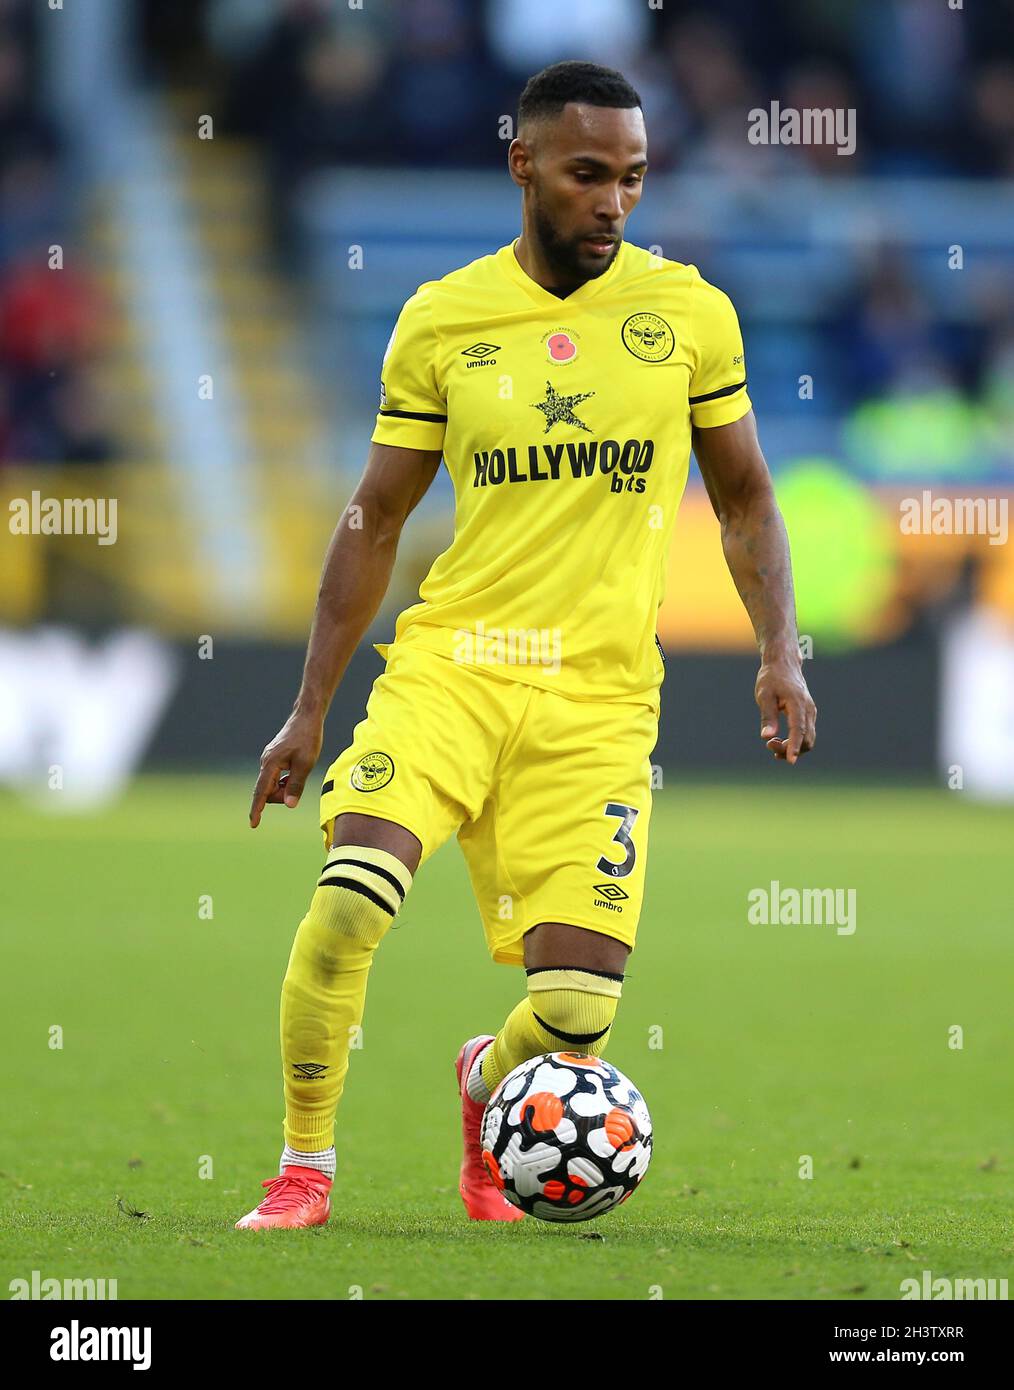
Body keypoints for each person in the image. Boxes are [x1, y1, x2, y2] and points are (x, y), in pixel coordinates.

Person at [236, 60, 816, 1230]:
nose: (613, 202)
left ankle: (484, 1086)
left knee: (574, 1018)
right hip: (453, 665)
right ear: (525, 166)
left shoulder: (689, 317)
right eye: (588, 174)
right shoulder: (445, 319)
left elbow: (747, 499)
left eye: (634, 180)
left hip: (601, 704)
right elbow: (377, 518)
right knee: (350, 904)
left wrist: (781, 650)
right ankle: (305, 1170)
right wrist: (310, 708)